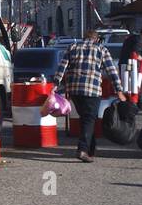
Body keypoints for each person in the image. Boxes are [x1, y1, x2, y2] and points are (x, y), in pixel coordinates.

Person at [52, 29, 126, 163]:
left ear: (84, 38)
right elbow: (111, 71)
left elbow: (62, 67)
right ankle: (82, 150)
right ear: (96, 39)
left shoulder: (72, 47)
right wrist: (119, 90)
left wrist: (56, 84)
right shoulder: (101, 49)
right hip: (92, 90)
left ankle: (91, 150)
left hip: (74, 89)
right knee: (89, 119)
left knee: (85, 119)